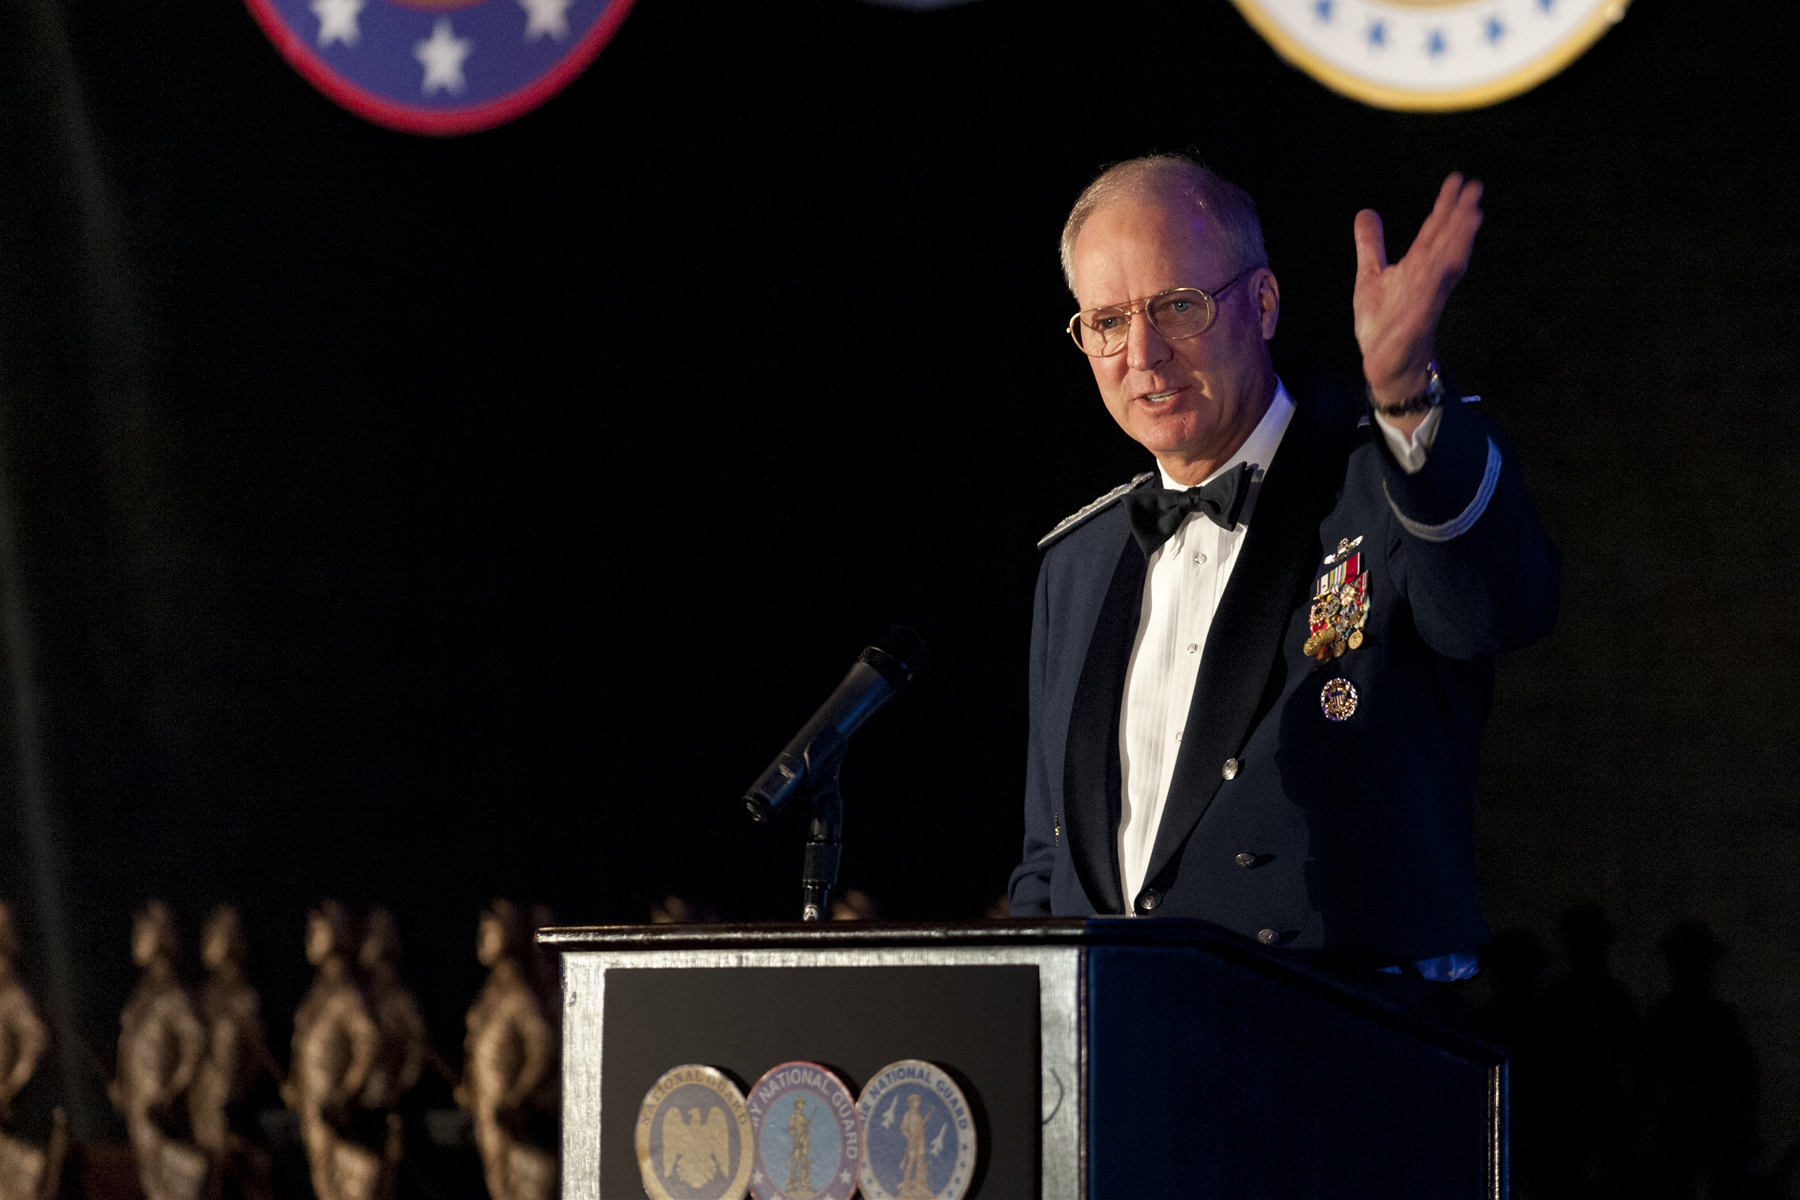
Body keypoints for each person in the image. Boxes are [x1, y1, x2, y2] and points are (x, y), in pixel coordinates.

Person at [1008, 156, 1561, 977]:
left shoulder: (1385, 481)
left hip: (1337, 1049)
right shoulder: (1077, 562)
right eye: (1107, 322)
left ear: (1263, 304)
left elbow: (1488, 611)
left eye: (1177, 306)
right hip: (1120, 1054)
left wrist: (1408, 395)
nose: (1143, 353)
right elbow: (1049, 861)